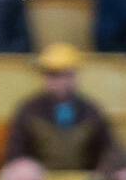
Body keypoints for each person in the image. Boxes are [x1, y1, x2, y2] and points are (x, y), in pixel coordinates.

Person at [7, 43, 116, 171]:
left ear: (75, 76)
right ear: (44, 77)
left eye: (66, 74)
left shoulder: (92, 110)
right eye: (53, 75)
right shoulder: (28, 110)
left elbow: (108, 153)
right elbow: (16, 155)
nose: (60, 81)